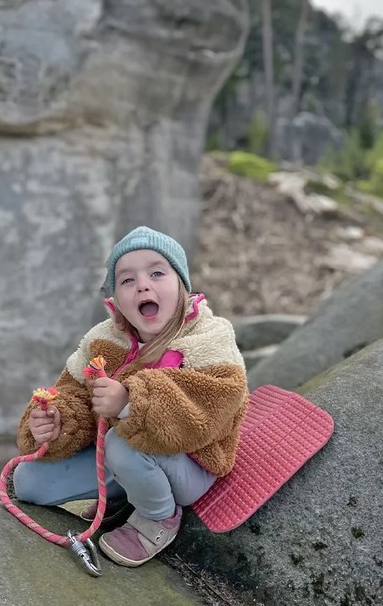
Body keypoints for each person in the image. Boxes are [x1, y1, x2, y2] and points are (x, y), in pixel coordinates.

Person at [13, 226, 249, 567]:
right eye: (127, 280)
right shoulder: (104, 340)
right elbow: (71, 392)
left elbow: (213, 409)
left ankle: (159, 517)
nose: (142, 284)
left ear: (182, 285)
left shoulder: (209, 337)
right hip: (121, 454)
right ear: (117, 301)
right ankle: (129, 493)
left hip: (189, 463)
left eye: (157, 272)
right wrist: (56, 420)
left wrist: (129, 404)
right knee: (28, 482)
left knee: (122, 446)